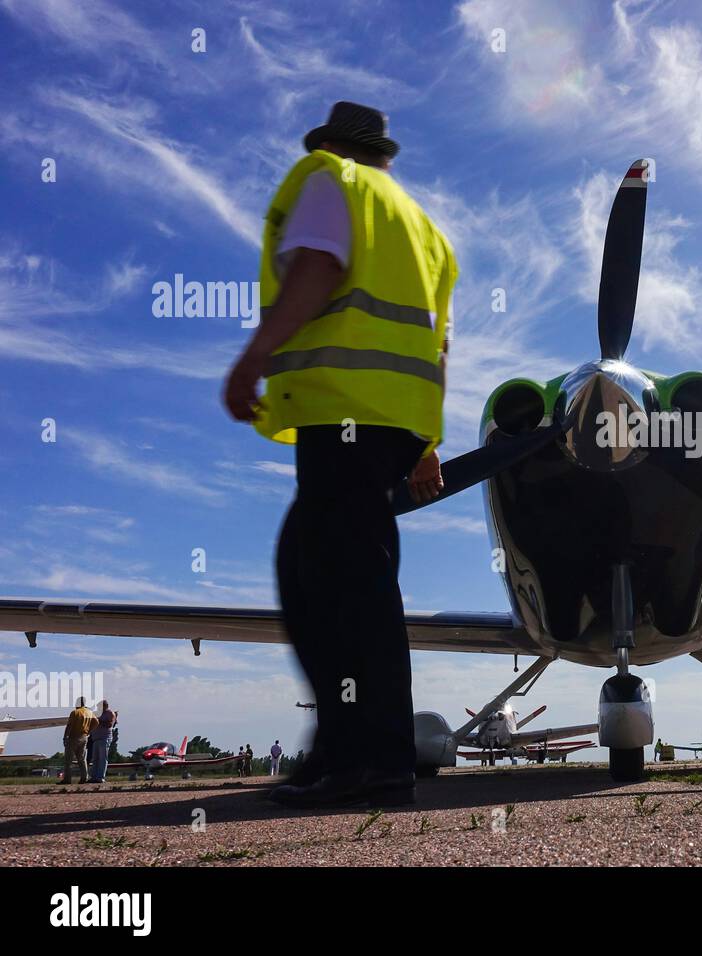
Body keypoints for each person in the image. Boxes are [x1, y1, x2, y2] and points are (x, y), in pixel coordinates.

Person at [223, 102, 457, 809]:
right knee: (323, 568)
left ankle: (369, 759)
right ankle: (343, 751)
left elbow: (318, 268)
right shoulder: (426, 232)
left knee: (342, 584)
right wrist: (427, 446)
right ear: (385, 152)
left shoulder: (330, 180)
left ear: (331, 143)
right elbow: (439, 347)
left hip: (343, 411)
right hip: (391, 424)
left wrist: (254, 357)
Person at [60, 697, 98, 784]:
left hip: (74, 737)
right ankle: (84, 778)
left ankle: (67, 779)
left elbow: (69, 726)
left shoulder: (75, 712)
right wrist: (89, 731)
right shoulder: (89, 712)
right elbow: (96, 722)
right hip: (84, 737)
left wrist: (65, 737)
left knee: (68, 760)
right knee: (82, 759)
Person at [87, 700, 117, 783]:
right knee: (95, 759)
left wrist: (98, 721)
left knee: (102, 758)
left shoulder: (110, 713)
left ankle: (100, 777)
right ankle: (94, 776)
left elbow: (109, 724)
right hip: (96, 738)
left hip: (104, 738)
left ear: (105, 706)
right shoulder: (97, 713)